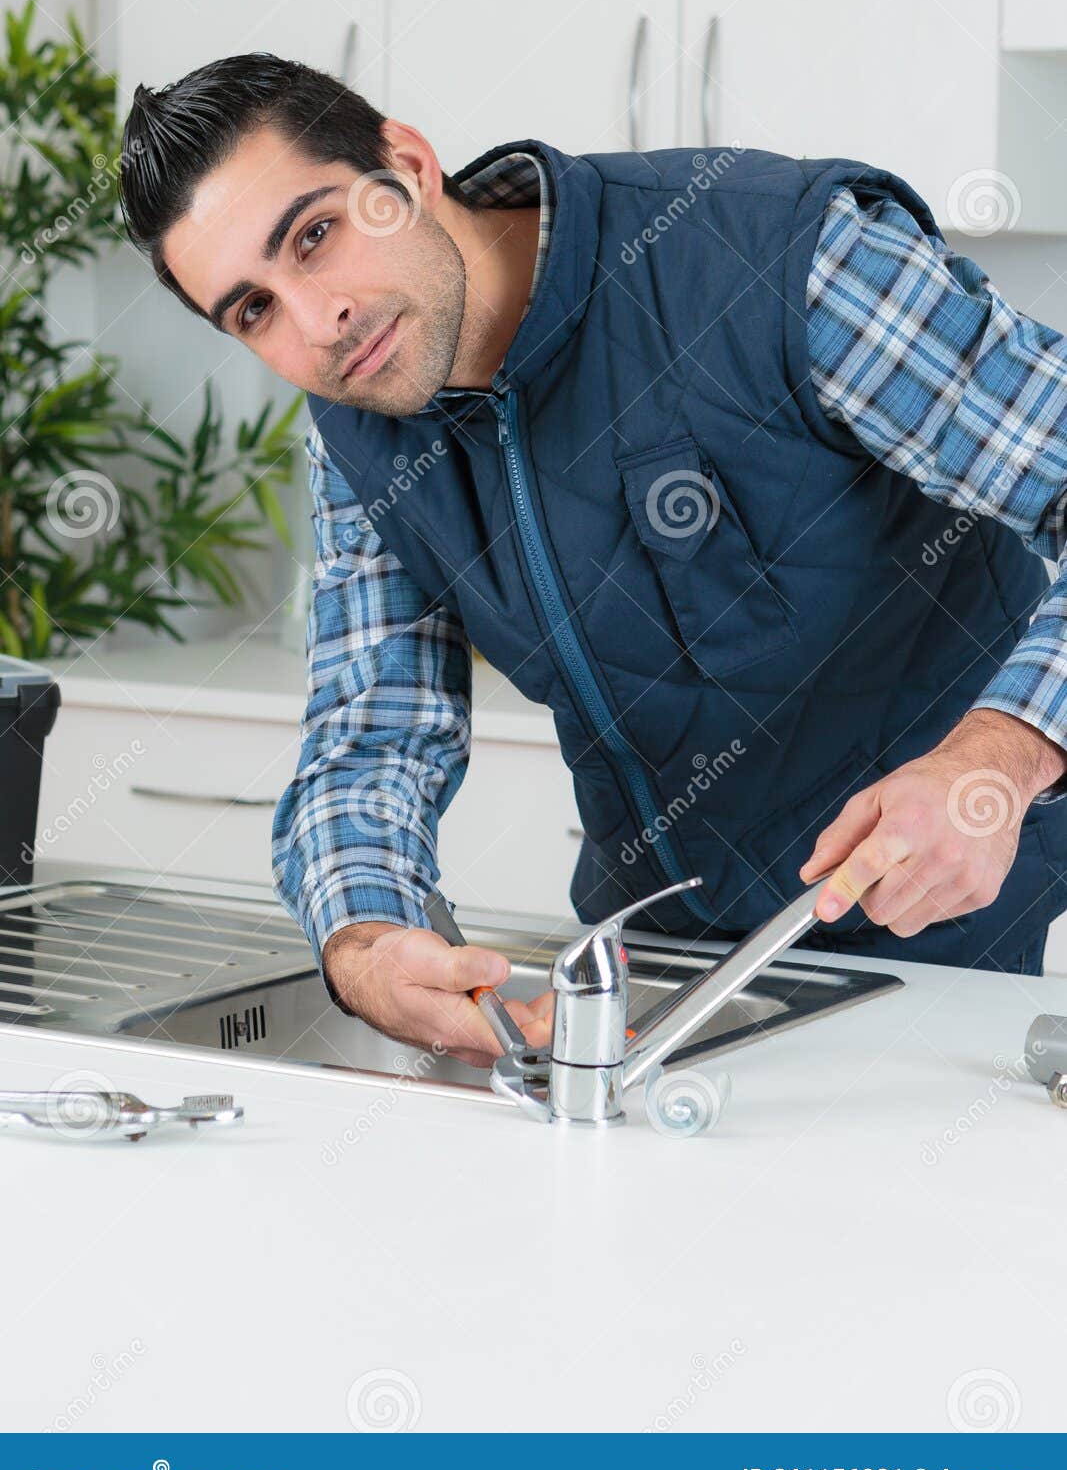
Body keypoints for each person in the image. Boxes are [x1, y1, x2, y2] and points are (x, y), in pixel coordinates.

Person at [118, 53, 1067, 1064]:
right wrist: (363, 944)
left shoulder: (783, 262)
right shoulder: (357, 427)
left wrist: (992, 764)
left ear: (404, 165)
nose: (316, 323)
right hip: (676, 988)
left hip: (996, 961)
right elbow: (373, 733)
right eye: (254, 310)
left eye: (315, 236)